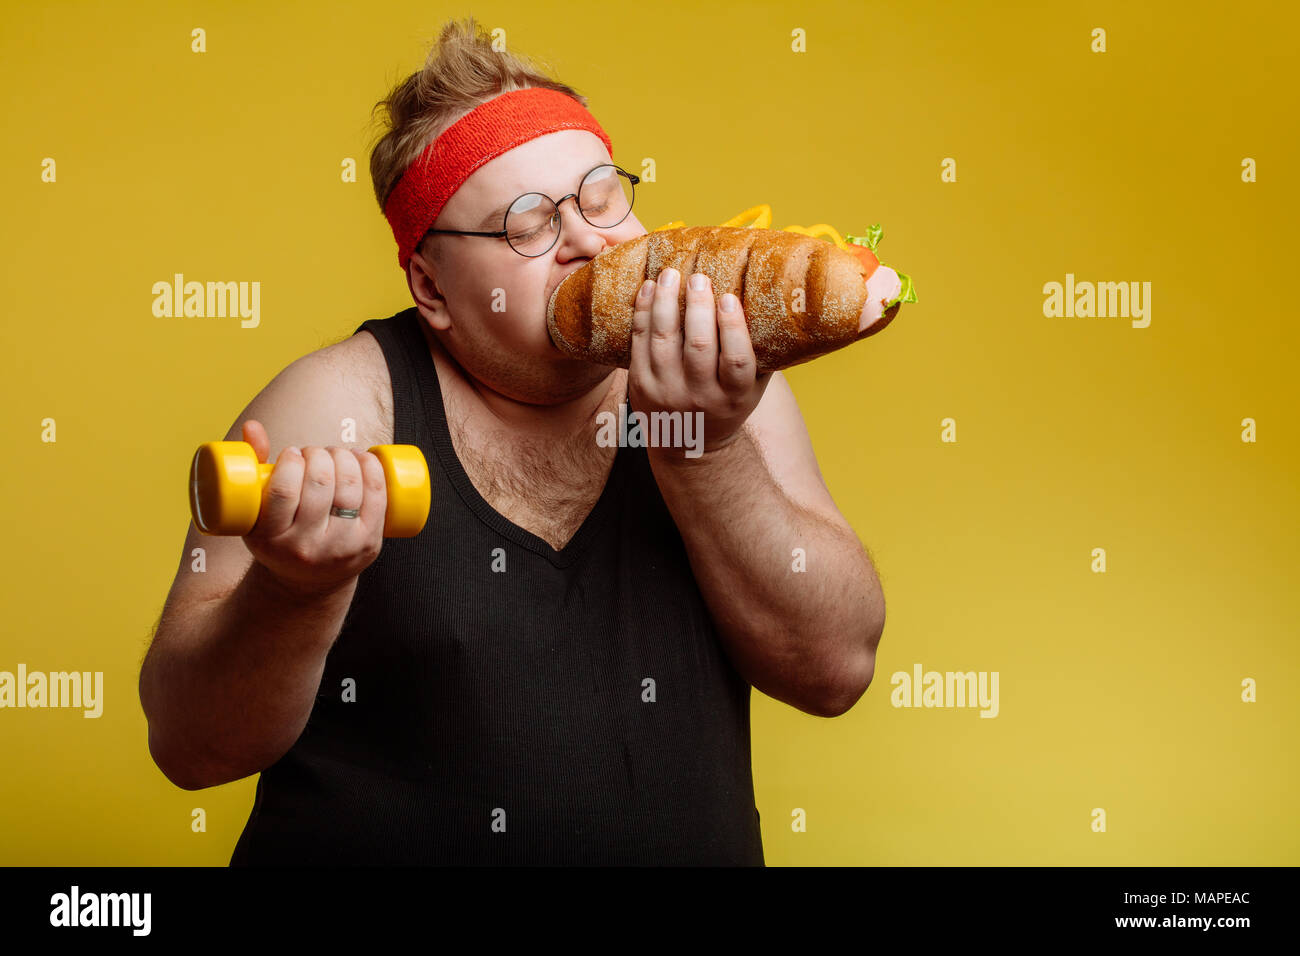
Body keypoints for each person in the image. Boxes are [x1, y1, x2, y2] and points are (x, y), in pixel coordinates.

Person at [139, 17, 886, 866]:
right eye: (526, 225)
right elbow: (189, 747)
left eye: (602, 195)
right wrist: (292, 593)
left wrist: (704, 450)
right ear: (432, 286)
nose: (587, 241)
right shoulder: (335, 406)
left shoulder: (723, 377)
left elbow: (834, 671)